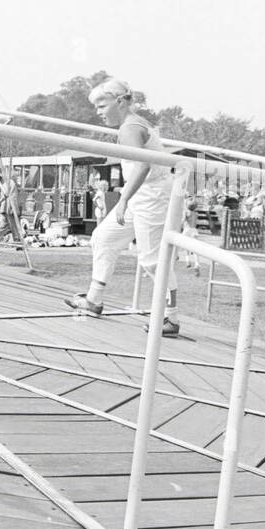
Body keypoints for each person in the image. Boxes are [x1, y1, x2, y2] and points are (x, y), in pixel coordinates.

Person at [65, 78, 183, 337]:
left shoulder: (130, 128)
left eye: (101, 105)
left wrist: (122, 200)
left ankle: (170, 318)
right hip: (144, 193)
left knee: (151, 261)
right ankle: (94, 299)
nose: (98, 112)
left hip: (152, 196)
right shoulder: (133, 124)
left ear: (119, 102)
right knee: (103, 238)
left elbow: (143, 166)